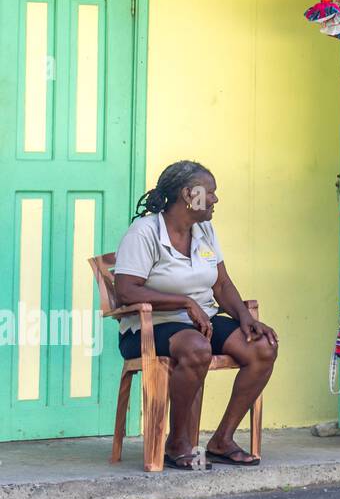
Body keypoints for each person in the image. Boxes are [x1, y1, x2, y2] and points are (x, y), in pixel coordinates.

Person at [114, 161, 279, 469]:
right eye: (210, 192)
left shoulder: (204, 230)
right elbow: (126, 291)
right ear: (189, 194)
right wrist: (184, 302)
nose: (215, 199)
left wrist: (245, 317)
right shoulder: (144, 233)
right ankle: (177, 443)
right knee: (196, 347)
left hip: (201, 320)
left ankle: (221, 441)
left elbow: (221, 283)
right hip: (151, 327)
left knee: (263, 348)